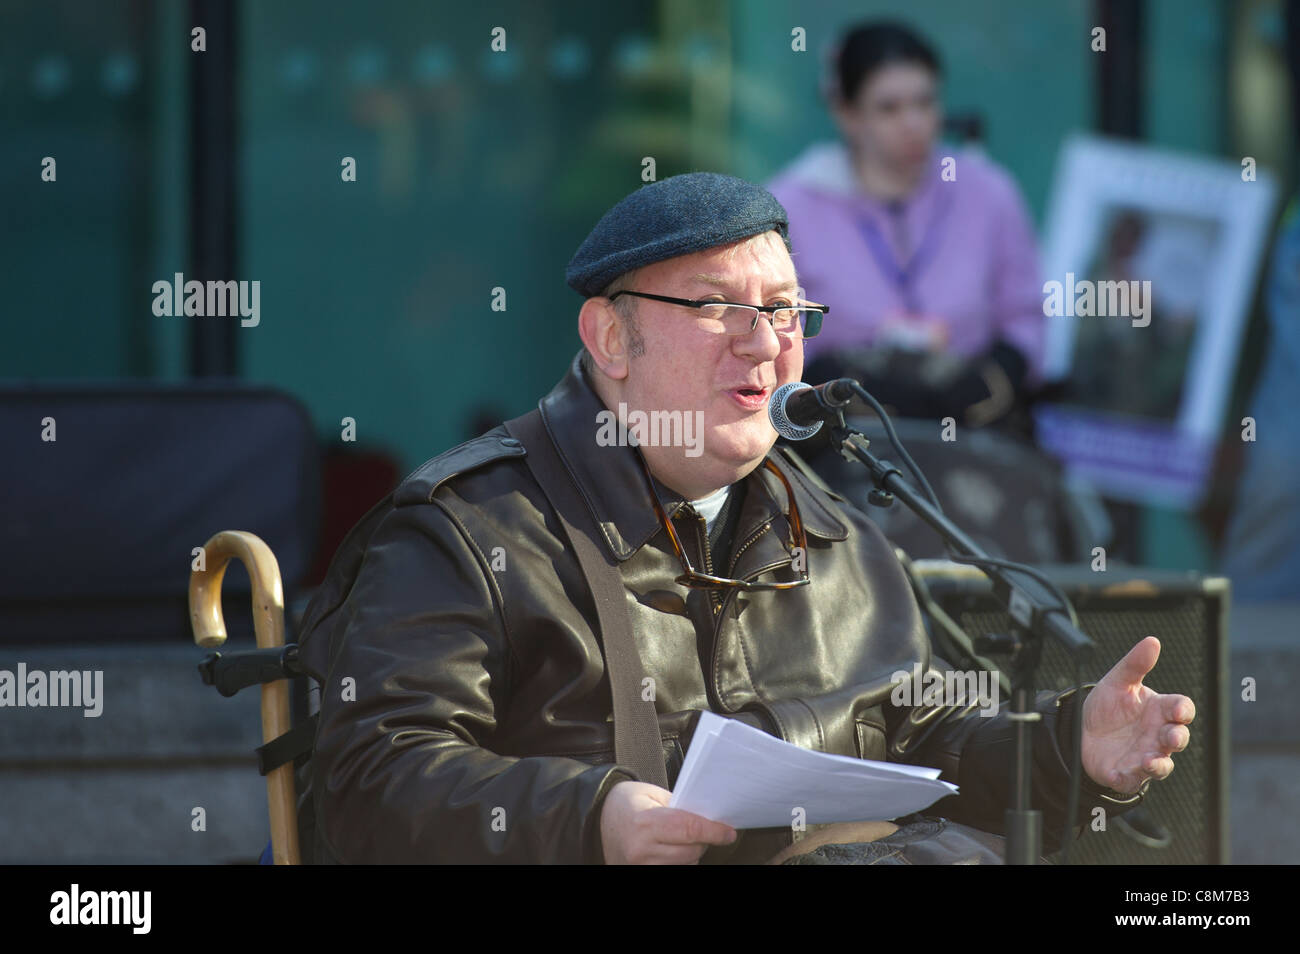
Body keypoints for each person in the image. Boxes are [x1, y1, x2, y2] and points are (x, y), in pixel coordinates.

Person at [295, 172, 1194, 864]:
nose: (765, 343)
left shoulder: (831, 527)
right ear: (611, 339)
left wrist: (1070, 749)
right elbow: (368, 775)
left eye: (784, 309)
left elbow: (922, 736)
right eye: (721, 307)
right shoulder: (469, 531)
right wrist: (591, 818)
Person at [767, 21, 1046, 428]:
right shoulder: (792, 205)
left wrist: (997, 377)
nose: (914, 123)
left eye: (925, 102)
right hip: (842, 433)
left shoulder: (987, 192)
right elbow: (771, 329)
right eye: (889, 108)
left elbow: (1027, 318)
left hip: (974, 429)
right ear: (846, 114)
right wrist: (821, 375)